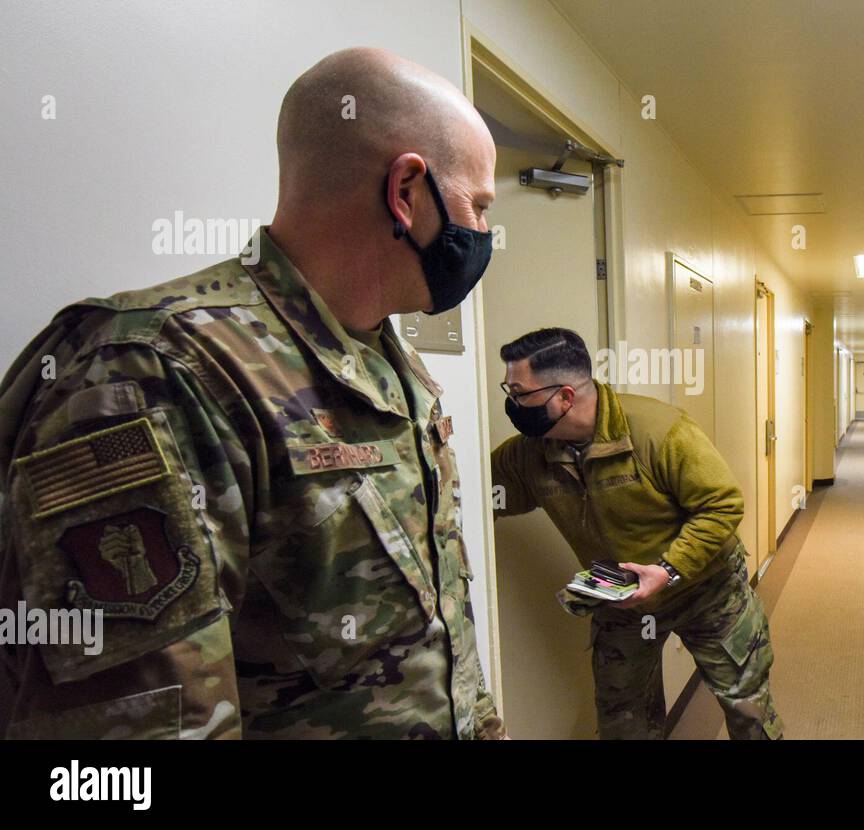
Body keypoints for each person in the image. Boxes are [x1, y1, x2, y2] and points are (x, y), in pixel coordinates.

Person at [0, 48, 505, 739]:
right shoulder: (153, 373)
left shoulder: (394, 365)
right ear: (407, 191)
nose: (482, 233)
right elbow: (131, 734)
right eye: (477, 205)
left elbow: (438, 636)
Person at [490, 328, 783, 739]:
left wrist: (669, 570)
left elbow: (722, 504)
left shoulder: (658, 432)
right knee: (623, 720)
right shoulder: (530, 453)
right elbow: (485, 496)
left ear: (564, 397)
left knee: (748, 708)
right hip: (622, 602)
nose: (512, 404)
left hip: (705, 590)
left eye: (519, 393)